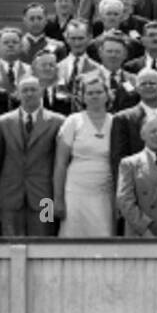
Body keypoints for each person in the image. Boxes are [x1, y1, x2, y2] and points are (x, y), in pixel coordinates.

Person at [0, 76, 65, 237]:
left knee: (44, 241)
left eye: (33, 89)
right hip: (10, 196)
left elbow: (59, 161)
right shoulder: (2, 122)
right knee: (11, 242)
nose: (29, 93)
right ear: (17, 94)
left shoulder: (58, 122)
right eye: (24, 90)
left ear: (41, 92)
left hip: (45, 197)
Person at [53, 73, 117, 237]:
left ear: (107, 95)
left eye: (98, 92)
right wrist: (58, 200)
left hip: (105, 191)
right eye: (89, 93)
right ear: (82, 97)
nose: (94, 96)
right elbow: (60, 164)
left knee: (104, 235)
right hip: (75, 190)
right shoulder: (73, 122)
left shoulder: (116, 122)